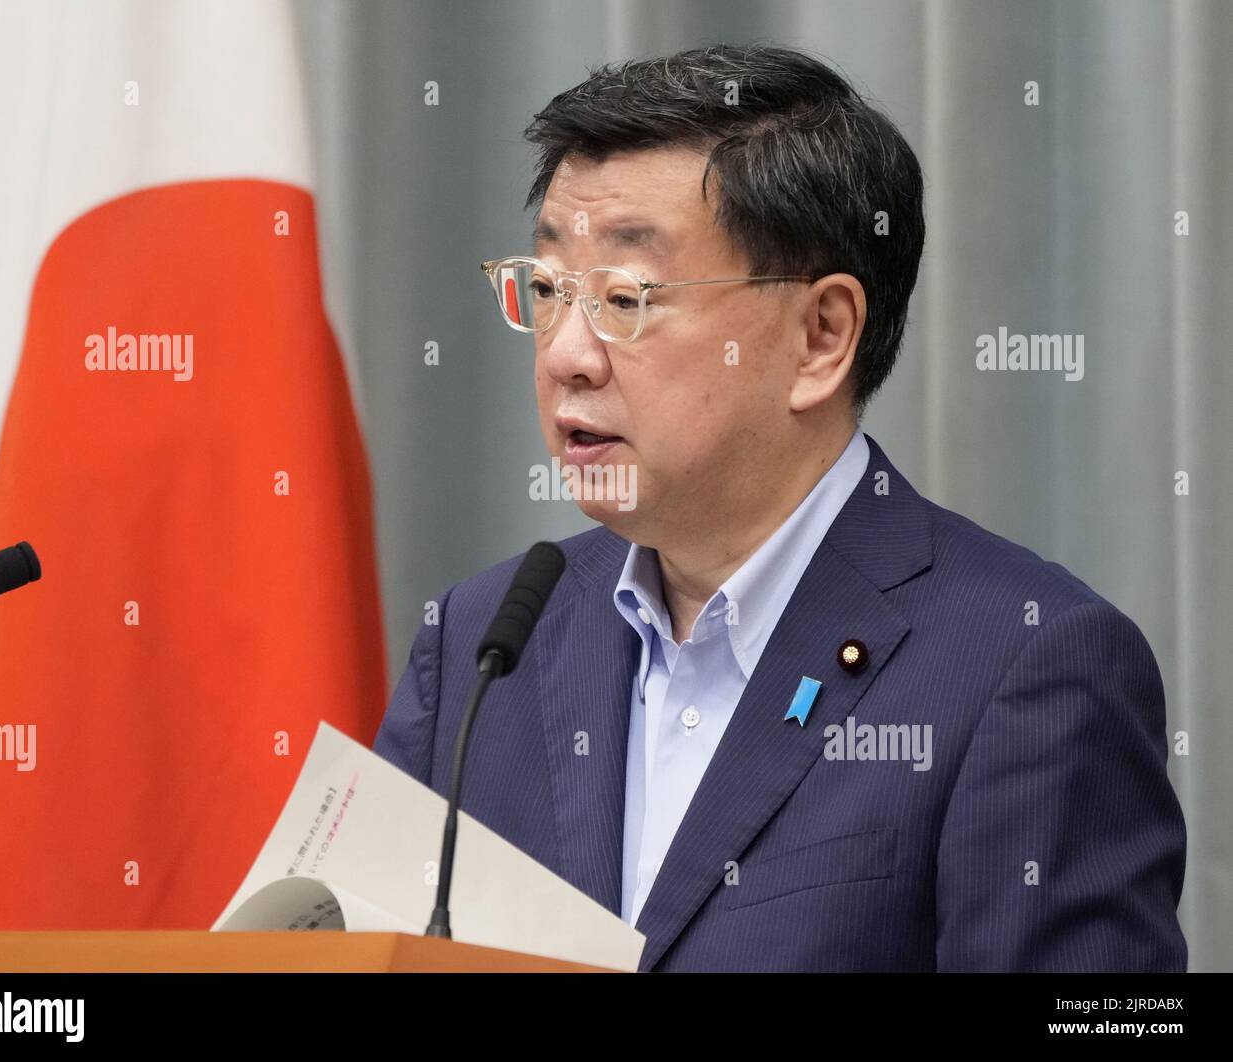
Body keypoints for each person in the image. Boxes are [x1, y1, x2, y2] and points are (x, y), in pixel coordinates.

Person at [374, 43, 1186, 972]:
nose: (566, 355)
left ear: (821, 337)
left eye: (626, 297)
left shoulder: (1027, 667)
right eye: (550, 289)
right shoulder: (484, 648)